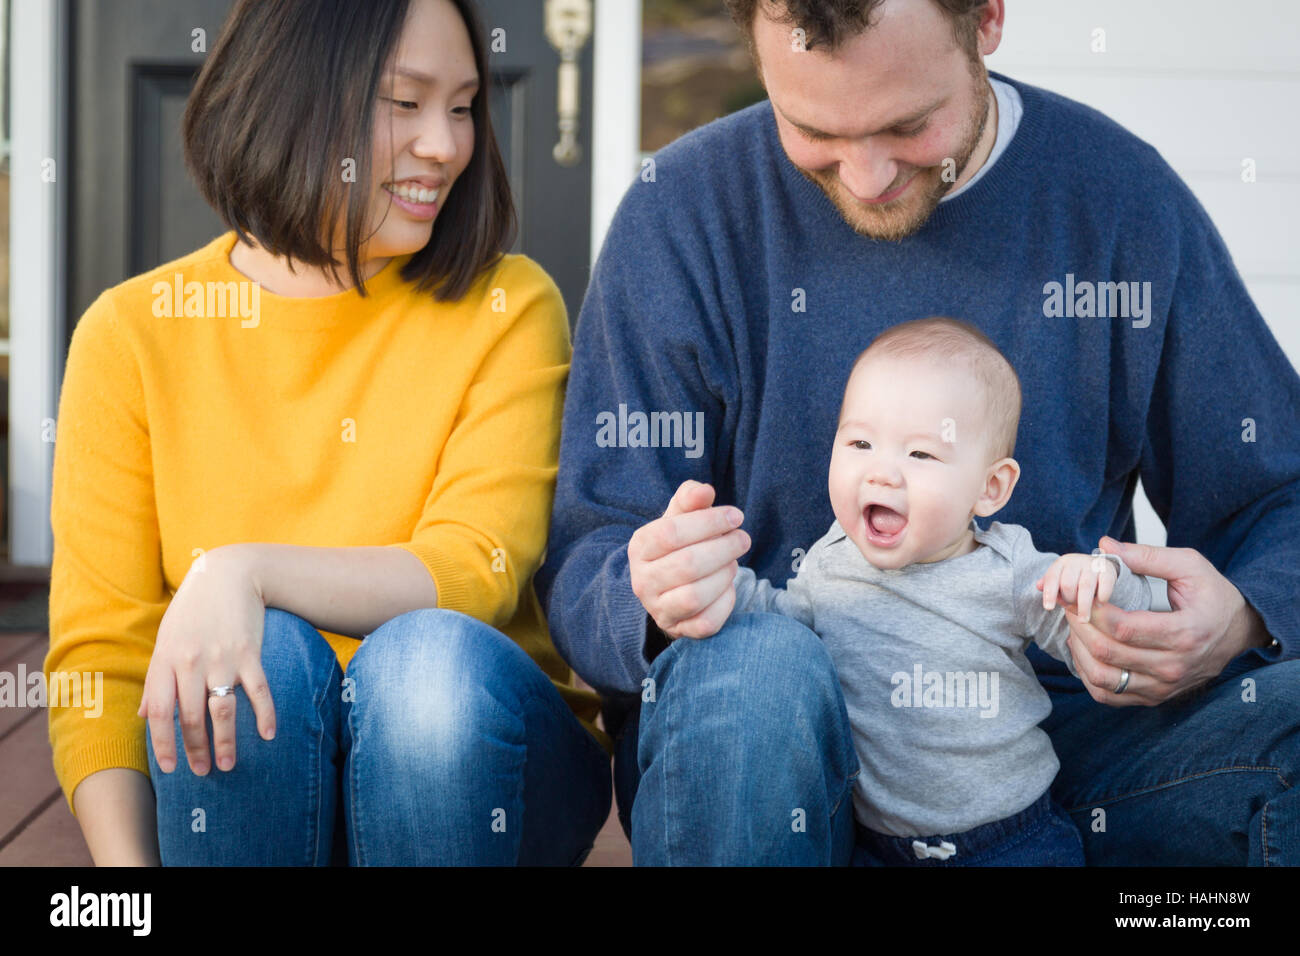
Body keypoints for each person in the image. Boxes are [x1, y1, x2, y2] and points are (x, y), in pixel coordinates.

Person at [536, 0, 1299, 865]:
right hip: (770, 744)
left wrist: (1237, 618)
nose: (864, 177)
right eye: (811, 128)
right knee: (750, 671)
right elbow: (590, 549)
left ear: (986, 20)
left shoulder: (1118, 199)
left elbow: (1279, 489)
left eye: (908, 125)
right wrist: (650, 595)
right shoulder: (681, 213)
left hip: (1055, 753)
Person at [46, 0, 610, 866]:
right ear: (289, 99)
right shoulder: (132, 334)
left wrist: (245, 570)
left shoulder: (510, 306)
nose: (445, 145)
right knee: (246, 656)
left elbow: (474, 571)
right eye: (406, 102)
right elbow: (103, 661)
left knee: (420, 665)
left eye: (462, 107)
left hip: (475, 772)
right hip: (251, 787)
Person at [705, 317, 1152, 865]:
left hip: (1012, 840)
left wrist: (1101, 581)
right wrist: (717, 582)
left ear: (990, 489)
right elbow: (779, 622)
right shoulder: (829, 564)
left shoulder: (1007, 570)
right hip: (878, 846)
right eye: (861, 442)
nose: (882, 473)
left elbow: (1111, 633)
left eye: (920, 455)